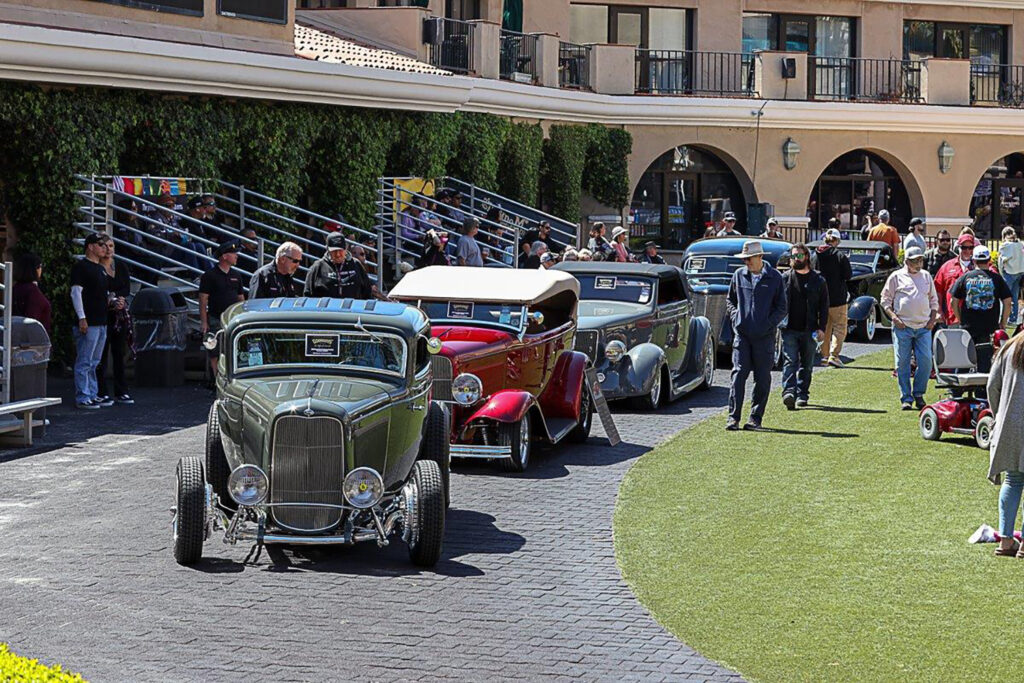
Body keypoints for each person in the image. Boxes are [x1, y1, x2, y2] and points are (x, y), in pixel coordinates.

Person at [725, 240, 787, 431]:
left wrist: (768, 324)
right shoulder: (738, 275)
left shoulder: (775, 278)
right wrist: (737, 318)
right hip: (742, 335)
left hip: (764, 337)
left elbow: (782, 307)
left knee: (762, 377)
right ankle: (733, 418)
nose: (747, 263)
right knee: (738, 374)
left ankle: (755, 419)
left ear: (760, 257)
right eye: (744, 259)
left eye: (749, 259)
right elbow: (730, 301)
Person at [880, 246, 940, 410]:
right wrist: (894, 318)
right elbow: (885, 300)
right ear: (906, 261)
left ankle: (919, 393)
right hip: (903, 327)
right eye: (915, 261)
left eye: (920, 260)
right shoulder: (896, 277)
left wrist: (932, 320)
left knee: (926, 361)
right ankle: (906, 397)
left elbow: (934, 300)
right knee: (902, 363)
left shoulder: (926, 276)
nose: (919, 263)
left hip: (923, 327)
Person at [986, 328, 1024, 557]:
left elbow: (992, 386)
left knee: (1013, 480)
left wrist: (999, 414)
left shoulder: (1008, 347)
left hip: (1009, 425)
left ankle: (1006, 541)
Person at [781, 243, 829, 409]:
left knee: (807, 365)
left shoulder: (818, 280)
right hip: (789, 328)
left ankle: (802, 394)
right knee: (789, 361)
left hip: (810, 329)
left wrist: (822, 328)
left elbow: (824, 306)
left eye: (799, 256)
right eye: (793, 256)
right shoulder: (785, 278)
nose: (795, 259)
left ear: (806, 257)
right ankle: (789, 392)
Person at [951, 245, 1012, 373]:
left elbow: (953, 301)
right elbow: (1007, 301)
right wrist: (1003, 323)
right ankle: (982, 391)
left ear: (974, 260)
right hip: (989, 327)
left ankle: (956, 390)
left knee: (964, 359)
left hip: (968, 327)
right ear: (989, 260)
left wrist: (960, 319)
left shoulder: (965, 277)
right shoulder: (997, 278)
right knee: (985, 362)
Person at [71, 233, 112, 409]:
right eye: (100, 244)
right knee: (85, 360)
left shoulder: (101, 268)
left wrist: (112, 301)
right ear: (90, 247)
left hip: (102, 320)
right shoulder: (81, 267)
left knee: (94, 361)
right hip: (90, 321)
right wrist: (82, 317)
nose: (105, 248)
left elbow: (100, 294)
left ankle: (92, 393)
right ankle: (83, 396)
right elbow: (75, 293)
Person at [95, 236, 134, 406]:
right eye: (105, 246)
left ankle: (122, 391)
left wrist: (121, 300)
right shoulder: (95, 268)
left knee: (119, 353)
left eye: (111, 246)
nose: (109, 249)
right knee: (100, 355)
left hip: (119, 316)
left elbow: (126, 287)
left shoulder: (121, 266)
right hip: (101, 315)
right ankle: (101, 391)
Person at [199, 240, 246, 377]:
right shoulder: (210, 275)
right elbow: (203, 299)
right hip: (216, 317)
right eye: (233, 253)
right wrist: (204, 322)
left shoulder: (236, 275)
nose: (236, 256)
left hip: (233, 318)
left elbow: (241, 298)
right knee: (214, 350)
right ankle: (216, 378)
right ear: (224, 256)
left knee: (233, 349)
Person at [815, 228, 853, 368]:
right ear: (836, 241)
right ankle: (834, 355)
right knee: (840, 327)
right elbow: (848, 275)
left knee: (825, 327)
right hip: (837, 297)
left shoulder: (815, 255)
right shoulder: (839, 255)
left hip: (821, 298)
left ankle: (824, 356)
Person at [304, 232, 370, 299]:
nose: (337, 254)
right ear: (328, 250)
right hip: (325, 308)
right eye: (334, 251)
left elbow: (367, 291)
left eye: (340, 250)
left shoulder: (356, 264)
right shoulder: (318, 267)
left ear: (345, 249)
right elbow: (308, 294)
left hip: (352, 308)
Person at [935, 234, 978, 326]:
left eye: (970, 248)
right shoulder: (947, 266)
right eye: (964, 247)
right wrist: (938, 311)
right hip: (952, 318)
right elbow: (937, 290)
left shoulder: (980, 266)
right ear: (958, 247)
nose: (967, 251)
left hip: (975, 319)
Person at [12, 253, 51, 335]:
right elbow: (32, 319)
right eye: (40, 266)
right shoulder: (32, 291)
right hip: (33, 341)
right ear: (35, 269)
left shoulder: (16, 288)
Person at [998, 226, 1024, 325]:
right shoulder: (1020, 244)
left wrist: (1001, 271)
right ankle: (1013, 319)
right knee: (1014, 296)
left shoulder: (1005, 246)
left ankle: (1003, 316)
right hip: (1019, 273)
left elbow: (1002, 261)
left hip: (1009, 273)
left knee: (1004, 297)